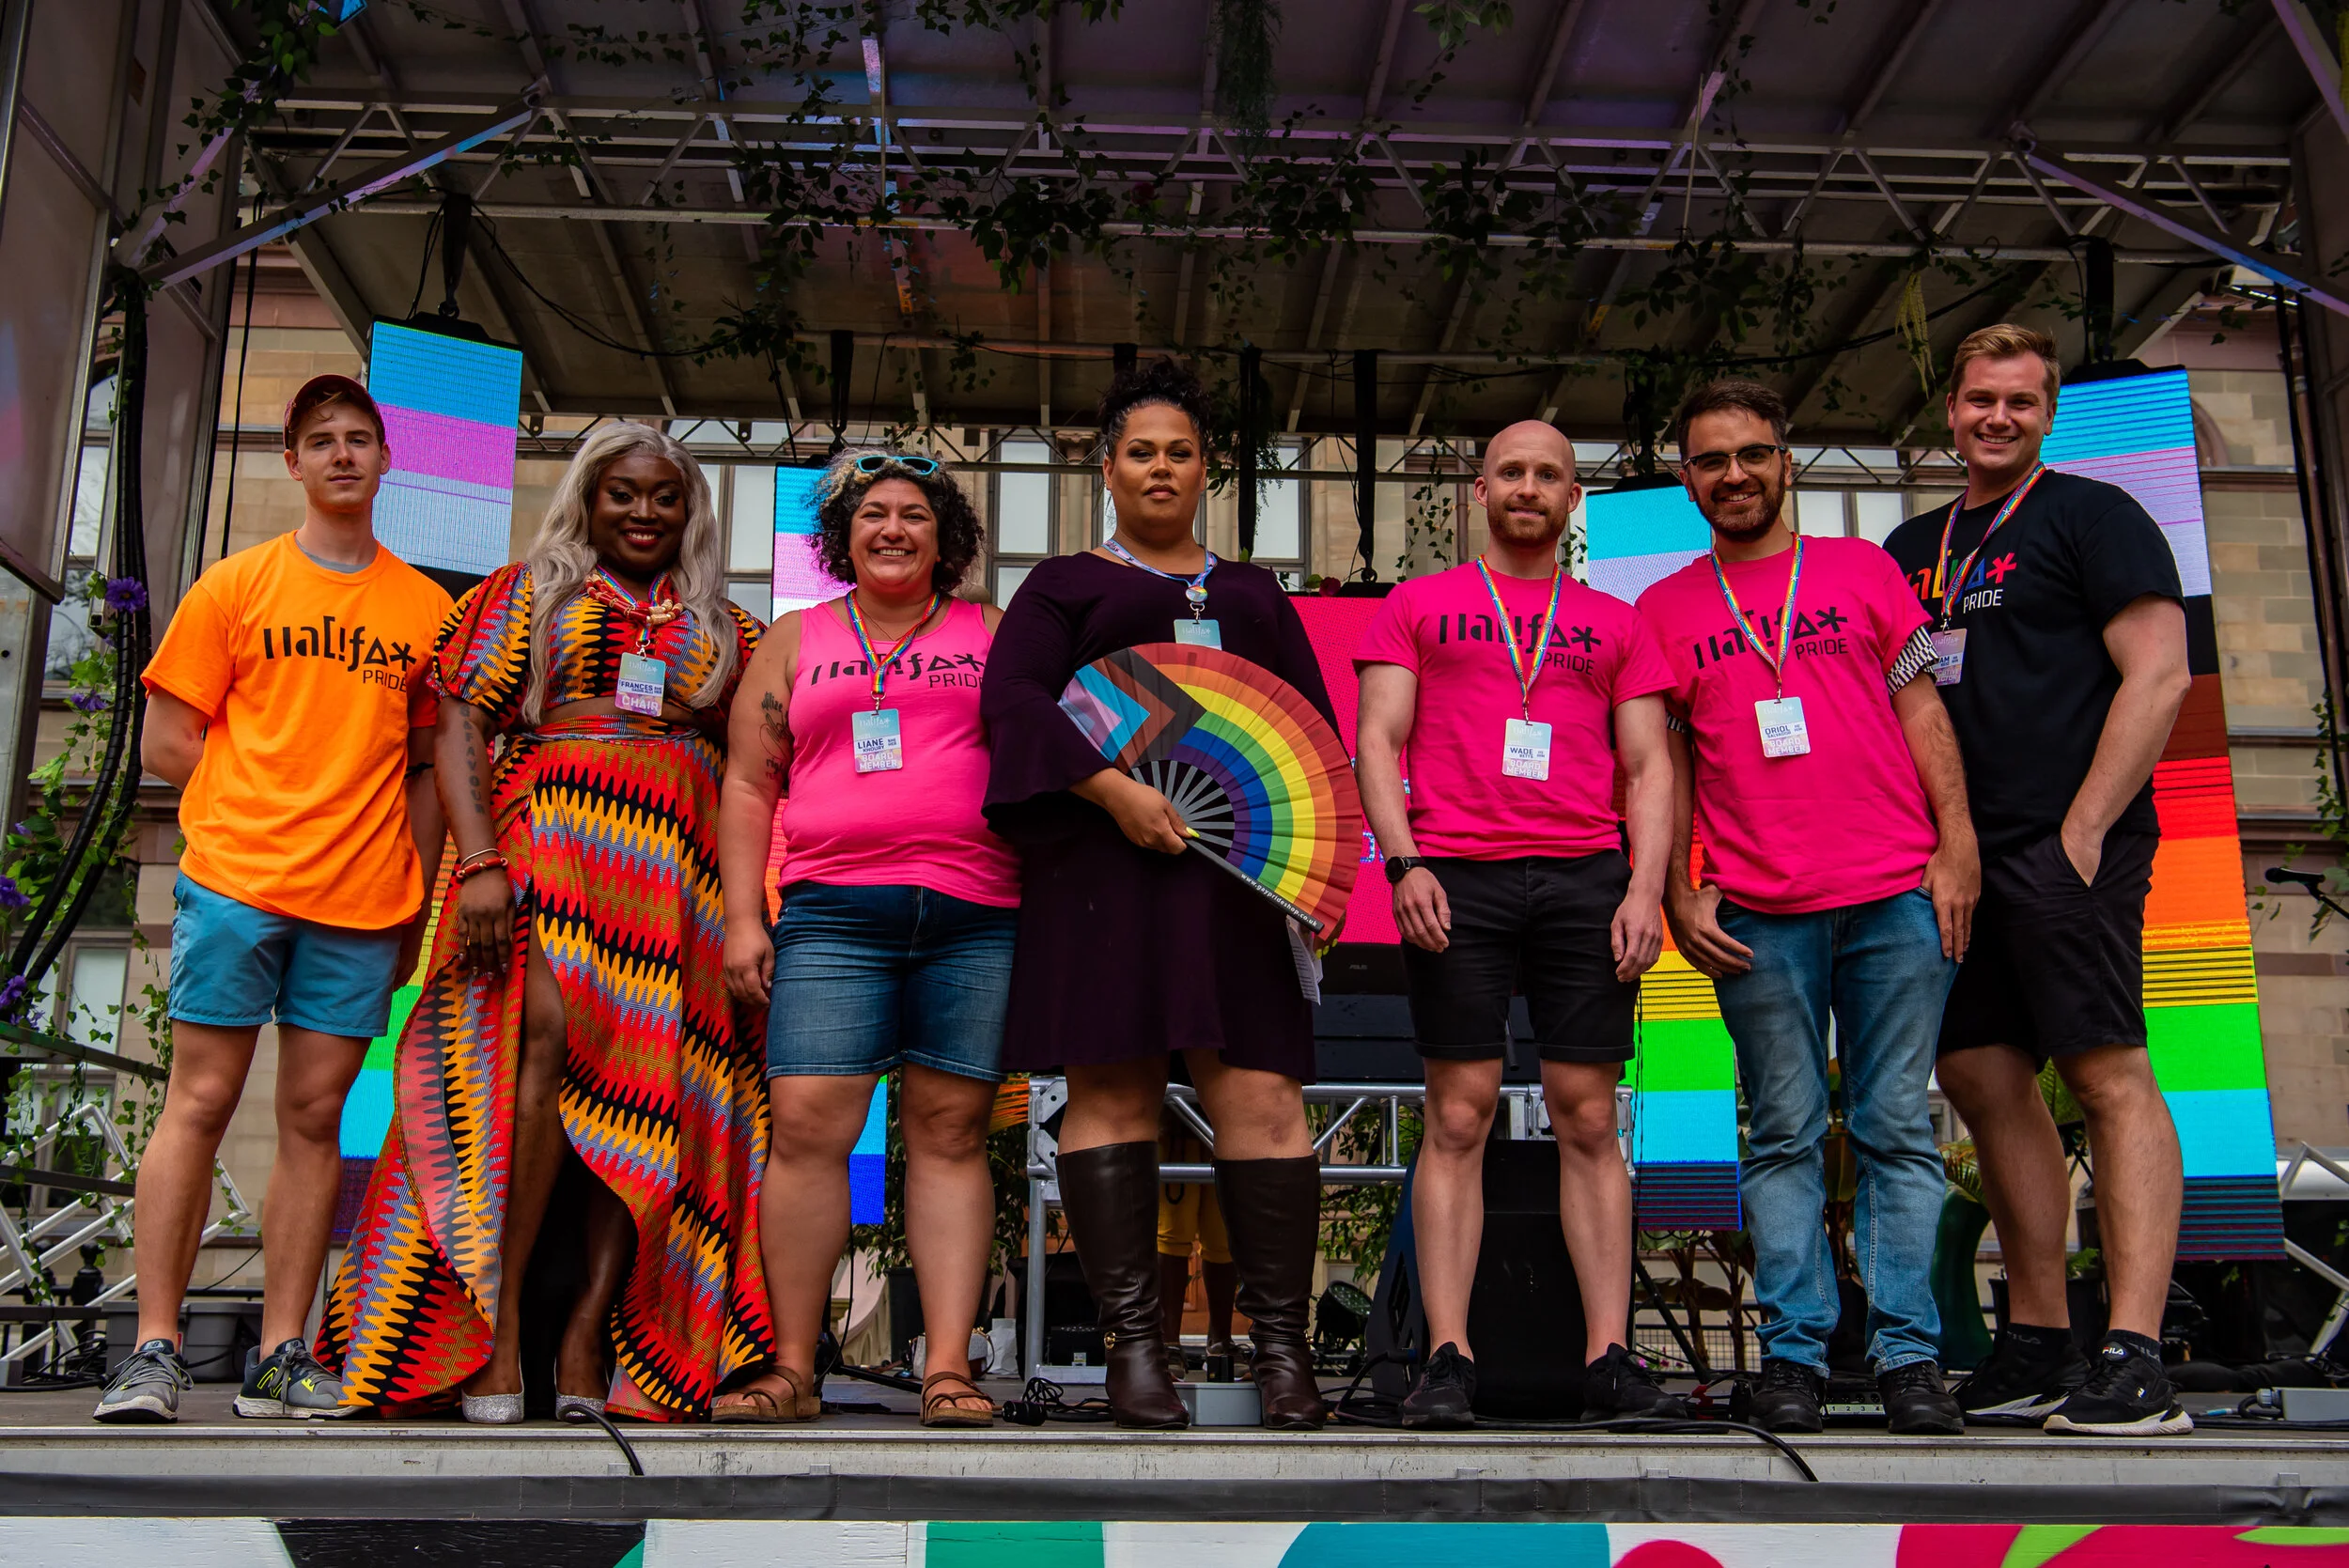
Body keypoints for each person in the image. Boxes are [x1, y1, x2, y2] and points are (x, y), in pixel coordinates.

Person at [319, 422, 772, 1423]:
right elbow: (458, 722)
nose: (645, 512)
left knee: (652, 1091)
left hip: (676, 875)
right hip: (547, 845)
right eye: (623, 493)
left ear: (690, 510)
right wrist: (474, 863)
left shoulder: (731, 626)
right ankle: (497, 1324)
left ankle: (588, 1336)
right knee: (537, 1046)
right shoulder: (524, 593)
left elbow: (759, 761)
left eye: (664, 496)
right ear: (588, 498)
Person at [979, 358, 1338, 1431]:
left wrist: (1310, 873)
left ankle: (1282, 1356)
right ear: (1108, 467)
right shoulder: (1062, 586)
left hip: (1237, 882)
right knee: (1114, 1096)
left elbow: (1307, 741)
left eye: (1180, 450)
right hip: (1105, 872)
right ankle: (1136, 1354)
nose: (1162, 467)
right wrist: (1110, 791)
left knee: (1264, 1102)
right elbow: (1012, 702)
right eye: (1142, 450)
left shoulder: (1254, 593)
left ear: (1207, 467)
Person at [94, 376, 451, 1423]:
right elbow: (167, 740)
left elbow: (431, 773)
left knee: (313, 1120)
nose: (343, 456)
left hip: (364, 902)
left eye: (361, 440)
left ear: (388, 462)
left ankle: (283, 1352)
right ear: (290, 463)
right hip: (239, 885)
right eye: (322, 442)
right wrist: (260, 812)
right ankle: (153, 1349)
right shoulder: (236, 585)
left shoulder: (427, 611)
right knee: (197, 1104)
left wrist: (414, 906)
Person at [1637, 380, 1977, 1436]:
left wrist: (1957, 843)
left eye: (1751, 453)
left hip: (1895, 894)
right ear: (1685, 478)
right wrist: (1680, 884)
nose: (1732, 473)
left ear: (1786, 462)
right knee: (1781, 1133)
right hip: (1758, 911)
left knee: (1894, 1132)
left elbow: (1923, 708)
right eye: (1709, 459)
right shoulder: (1665, 609)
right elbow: (1667, 763)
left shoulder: (1862, 571)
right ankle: (1792, 1356)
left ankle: (1909, 1356)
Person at [1882, 325, 2193, 1437]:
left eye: (2017, 400)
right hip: (1951, 858)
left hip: (2068, 844)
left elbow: (2159, 673)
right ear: (1950, 411)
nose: (1995, 417)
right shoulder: (1910, 544)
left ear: (2047, 413)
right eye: (1977, 400)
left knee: (2106, 1072)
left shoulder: (2095, 516)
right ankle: (2041, 1336)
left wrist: (2084, 827)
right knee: (1978, 1075)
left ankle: (2137, 1351)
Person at [1354, 420, 1687, 1429]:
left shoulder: (1617, 621)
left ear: (1571, 497)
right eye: (1511, 471)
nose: (1529, 487)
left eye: (1549, 474)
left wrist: (1642, 888)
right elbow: (1377, 738)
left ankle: (1608, 1357)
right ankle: (1447, 1357)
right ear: (1479, 487)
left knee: (1589, 1115)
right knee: (1457, 1113)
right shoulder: (1418, 605)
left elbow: (1649, 766)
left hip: (1586, 878)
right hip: (1458, 875)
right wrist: (1404, 862)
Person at [711, 451, 1015, 1429]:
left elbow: (1052, 761)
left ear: (947, 537)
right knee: (805, 1129)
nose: (893, 528)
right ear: (842, 537)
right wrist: (745, 918)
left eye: (914, 515)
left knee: (951, 1132)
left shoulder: (993, 633)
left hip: (974, 911)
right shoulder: (797, 639)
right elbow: (751, 783)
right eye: (873, 513)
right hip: (832, 911)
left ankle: (948, 1370)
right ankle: (793, 1367)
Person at [1157, 1120, 1235, 1377]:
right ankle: (1168, 1343)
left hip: (1229, 1125)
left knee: (1223, 1236)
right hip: (1175, 1124)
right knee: (1172, 1232)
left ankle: (1220, 1340)